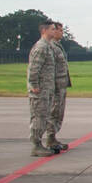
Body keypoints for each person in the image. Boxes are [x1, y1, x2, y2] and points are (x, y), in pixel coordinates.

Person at [28, 22, 58, 156]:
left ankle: (39, 144)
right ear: (44, 30)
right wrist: (34, 85)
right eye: (52, 29)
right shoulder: (41, 47)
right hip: (40, 90)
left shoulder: (48, 46)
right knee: (38, 117)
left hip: (47, 89)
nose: (55, 31)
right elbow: (34, 68)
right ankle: (36, 145)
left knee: (44, 117)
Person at [46, 21, 72, 151]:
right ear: (53, 31)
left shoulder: (58, 46)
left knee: (59, 113)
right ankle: (50, 140)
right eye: (60, 30)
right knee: (54, 112)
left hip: (61, 85)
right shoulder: (50, 46)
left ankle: (53, 138)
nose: (62, 33)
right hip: (55, 86)